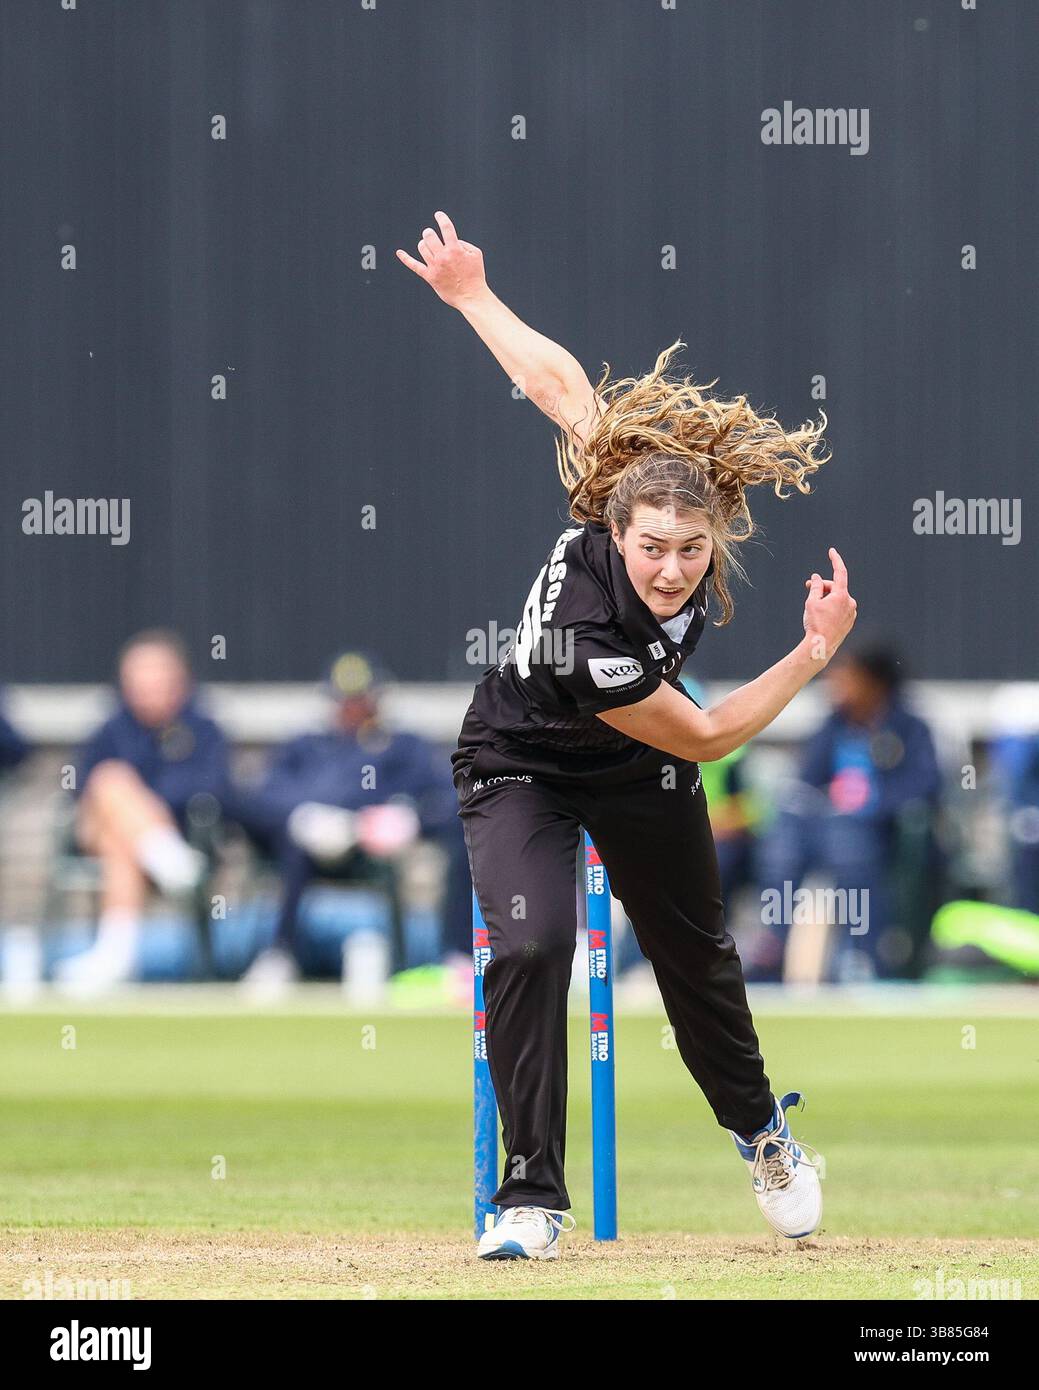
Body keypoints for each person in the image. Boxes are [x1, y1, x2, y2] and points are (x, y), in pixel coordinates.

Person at [398, 210, 857, 1259]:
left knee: (695, 955)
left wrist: (474, 295)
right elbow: (702, 737)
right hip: (522, 760)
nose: (670, 569)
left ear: (714, 534)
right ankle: (529, 1195)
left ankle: (763, 1137)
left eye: (691, 551)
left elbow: (564, 391)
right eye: (652, 549)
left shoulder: (658, 498)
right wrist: (809, 655)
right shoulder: (580, 631)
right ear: (612, 526)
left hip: (635, 765)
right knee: (532, 940)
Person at [222, 652, 470, 989]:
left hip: (376, 850)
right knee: (292, 845)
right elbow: (254, 798)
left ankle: (458, 958)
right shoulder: (305, 747)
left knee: (465, 832)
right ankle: (280, 953)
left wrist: (411, 819)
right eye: (345, 701)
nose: (353, 709)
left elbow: (451, 795)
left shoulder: (402, 747)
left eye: (360, 700)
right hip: (309, 850)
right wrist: (301, 818)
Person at [750, 644, 942, 982]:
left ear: (874, 683)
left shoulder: (909, 727)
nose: (836, 685)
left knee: (847, 845)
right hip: (823, 826)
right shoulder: (832, 725)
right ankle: (773, 948)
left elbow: (925, 785)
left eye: (846, 678)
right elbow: (807, 781)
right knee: (782, 846)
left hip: (878, 831)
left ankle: (864, 955)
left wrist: (872, 801)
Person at [56, 631, 230, 989]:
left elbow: (211, 791)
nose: (148, 688)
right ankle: (164, 855)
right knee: (110, 781)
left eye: (156, 677)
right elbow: (79, 786)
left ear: (179, 681)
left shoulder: (203, 730)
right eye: (139, 679)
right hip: (108, 830)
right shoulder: (112, 729)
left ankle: (115, 956)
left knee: (121, 839)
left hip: (178, 836)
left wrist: (144, 806)